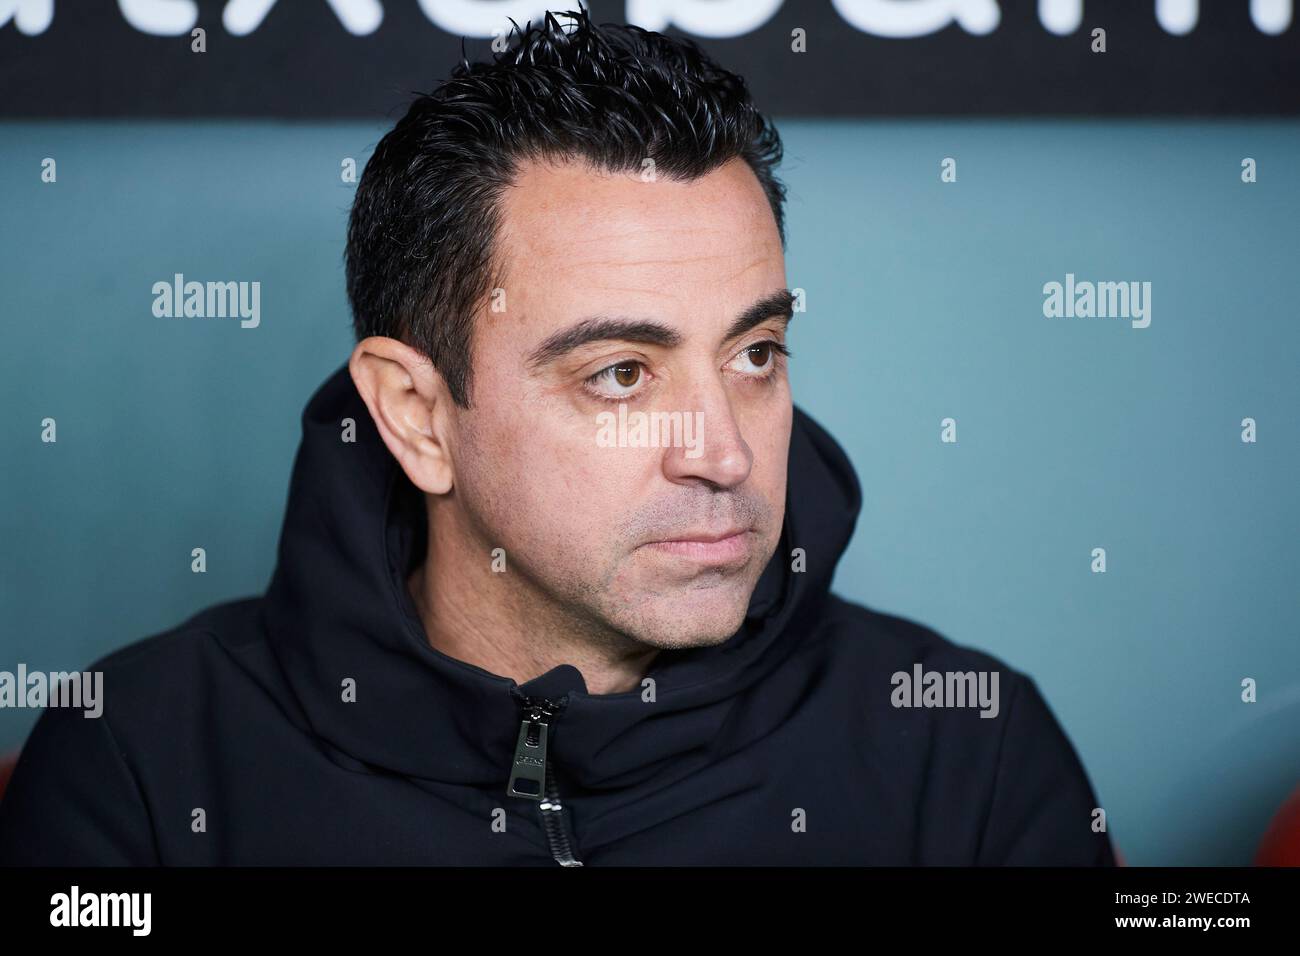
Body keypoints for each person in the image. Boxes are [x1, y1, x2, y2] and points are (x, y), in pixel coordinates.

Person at [0, 9, 1113, 866]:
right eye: (621, 373)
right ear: (416, 416)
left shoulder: (967, 753)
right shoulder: (140, 762)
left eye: (755, 354)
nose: (721, 452)